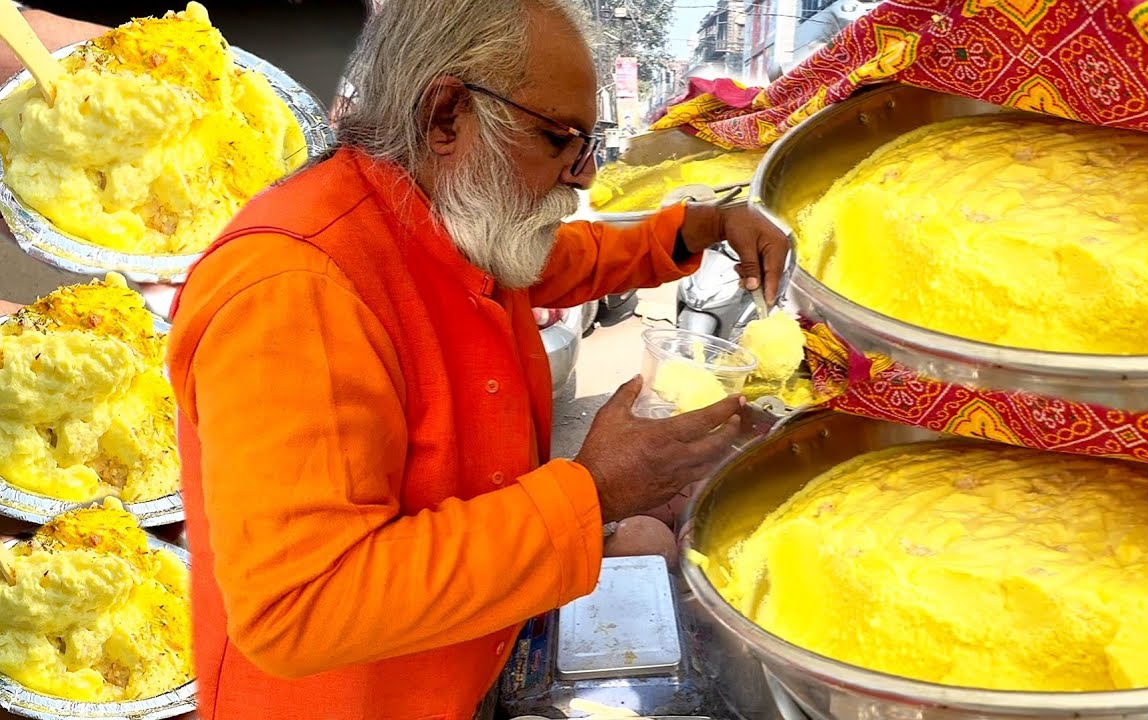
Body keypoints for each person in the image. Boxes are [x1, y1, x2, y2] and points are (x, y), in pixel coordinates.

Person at [166, 1, 788, 719]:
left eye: (589, 145)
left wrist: (705, 225)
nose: (583, 177)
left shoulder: (450, 213)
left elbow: (567, 258)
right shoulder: (295, 289)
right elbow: (301, 607)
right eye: (560, 140)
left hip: (460, 669)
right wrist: (594, 494)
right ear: (445, 115)